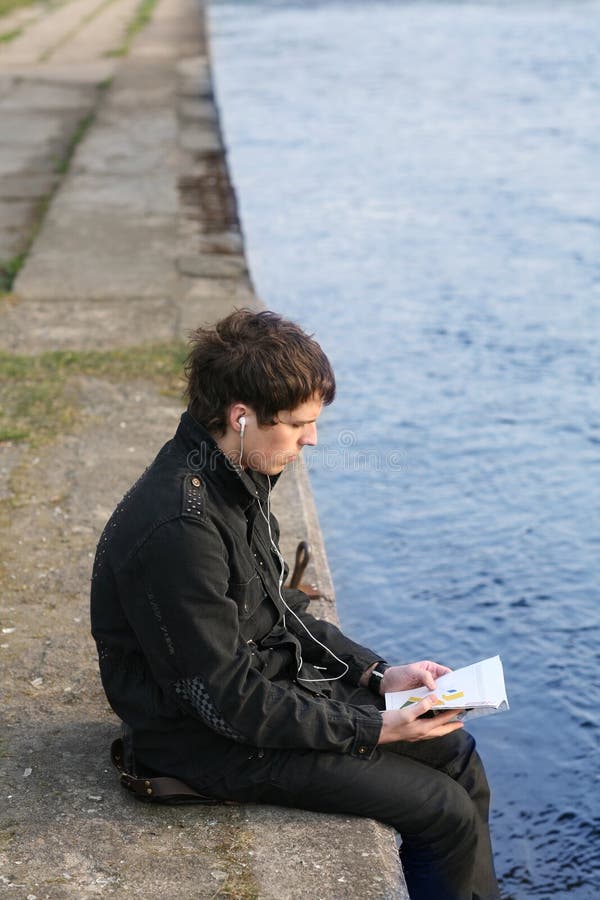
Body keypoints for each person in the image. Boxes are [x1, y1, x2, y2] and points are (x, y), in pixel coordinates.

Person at [91, 308, 500, 900]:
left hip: (262, 692)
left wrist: (380, 675)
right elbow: (228, 702)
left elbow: (279, 610)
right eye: (300, 424)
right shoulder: (182, 528)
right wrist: (373, 727)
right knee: (444, 811)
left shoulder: (234, 474)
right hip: (203, 739)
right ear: (242, 416)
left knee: (456, 752)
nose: (312, 439)